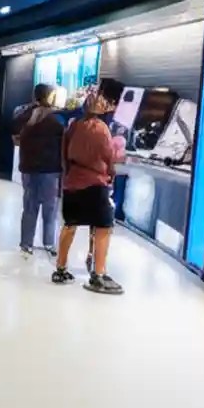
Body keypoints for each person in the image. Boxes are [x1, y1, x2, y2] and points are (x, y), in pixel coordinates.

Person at [53, 78, 127, 294]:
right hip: (95, 184)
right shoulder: (102, 129)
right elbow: (108, 157)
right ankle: (99, 274)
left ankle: (61, 268)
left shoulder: (73, 126)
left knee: (70, 224)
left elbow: (64, 154)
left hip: (72, 182)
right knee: (103, 227)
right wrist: (111, 172)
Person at [12, 84, 64, 256]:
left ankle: (26, 243)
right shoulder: (57, 118)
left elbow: (14, 131)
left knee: (29, 207)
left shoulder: (24, 114)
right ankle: (49, 243)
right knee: (50, 209)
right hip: (50, 169)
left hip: (28, 167)